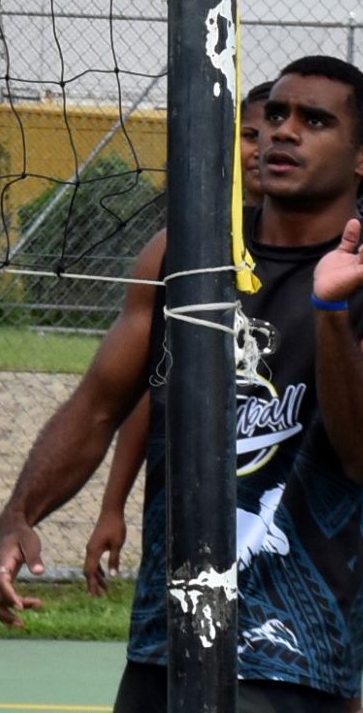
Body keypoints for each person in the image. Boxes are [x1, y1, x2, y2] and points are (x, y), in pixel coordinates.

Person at [0, 55, 363, 713]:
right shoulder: (182, 255)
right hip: (167, 632)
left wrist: (331, 311)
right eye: (276, 116)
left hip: (294, 652)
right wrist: (20, 512)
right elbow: (97, 405)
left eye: (314, 120)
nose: (282, 133)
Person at [82, 79, 272, 596]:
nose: (262, 147)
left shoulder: (335, 263)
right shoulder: (177, 250)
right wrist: (112, 506)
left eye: (270, 133)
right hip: (183, 526)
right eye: (249, 133)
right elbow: (150, 396)